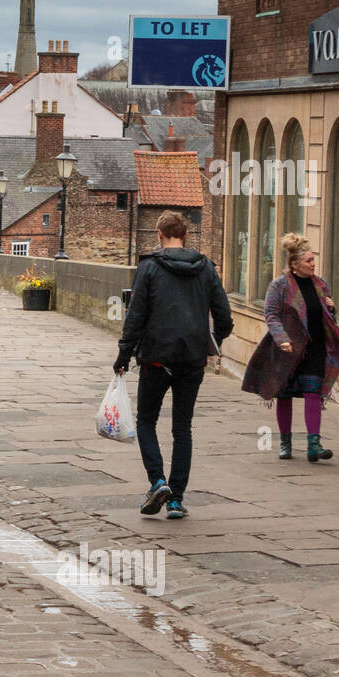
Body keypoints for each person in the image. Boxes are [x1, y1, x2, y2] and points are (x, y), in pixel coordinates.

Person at [115, 211, 233, 519]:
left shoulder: (150, 267)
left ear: (159, 234)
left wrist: (123, 355)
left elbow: (136, 315)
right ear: (186, 235)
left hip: (156, 357)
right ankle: (177, 500)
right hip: (192, 359)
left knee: (146, 422)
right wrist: (212, 342)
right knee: (182, 428)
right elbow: (225, 317)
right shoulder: (206, 268)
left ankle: (157, 481)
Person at [242, 233, 339, 463]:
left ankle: (313, 444)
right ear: (294, 263)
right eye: (309, 260)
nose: (313, 264)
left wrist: (332, 308)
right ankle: (285, 443)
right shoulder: (279, 286)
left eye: (313, 259)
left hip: (315, 347)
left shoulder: (320, 285)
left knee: (313, 392)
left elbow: (325, 318)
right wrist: (281, 338)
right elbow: (271, 314)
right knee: (285, 394)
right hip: (288, 349)